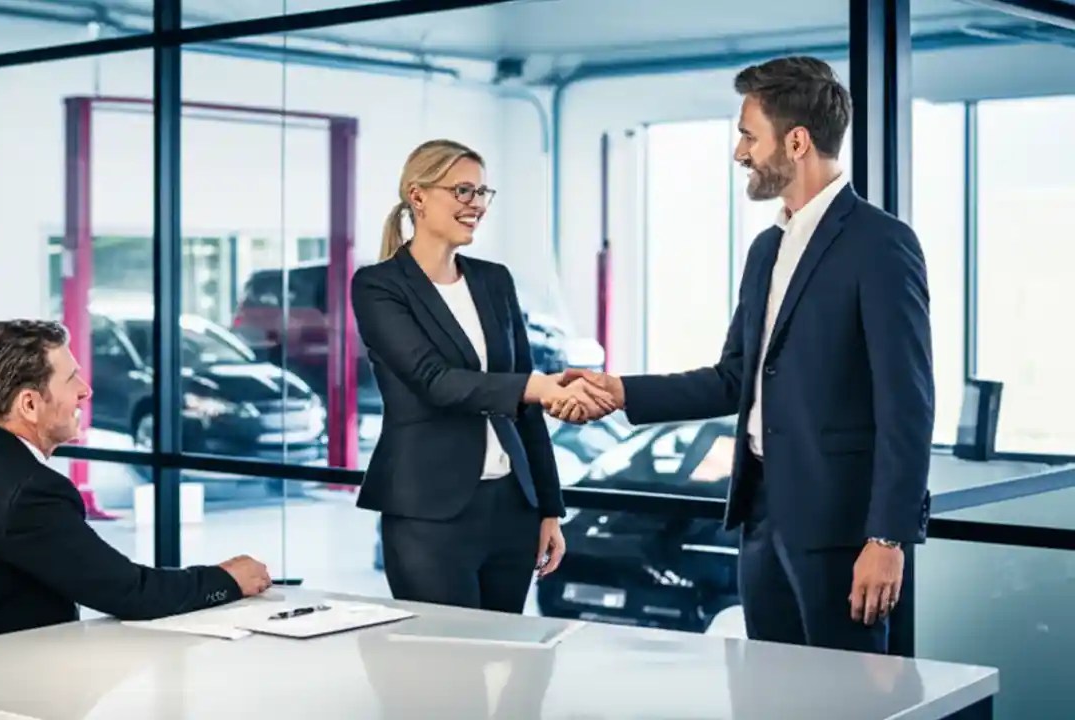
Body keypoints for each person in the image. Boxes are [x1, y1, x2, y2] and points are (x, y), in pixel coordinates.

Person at [554, 57, 933, 654]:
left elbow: (907, 405)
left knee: (849, 701)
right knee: (771, 695)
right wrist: (618, 390)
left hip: (841, 534)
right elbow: (734, 379)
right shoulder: (766, 250)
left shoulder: (880, 244)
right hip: (760, 521)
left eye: (748, 135)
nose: (740, 153)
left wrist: (887, 539)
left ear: (797, 141)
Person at [351, 139, 615, 613]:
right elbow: (435, 381)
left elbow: (524, 404)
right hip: (429, 513)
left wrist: (549, 508)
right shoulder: (379, 286)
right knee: (445, 670)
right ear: (418, 196)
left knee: (509, 664)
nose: (475, 205)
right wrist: (537, 387)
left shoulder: (494, 280)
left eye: (481, 193)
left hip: (512, 509)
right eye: (462, 191)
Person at [0, 320, 272, 649]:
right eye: (70, 378)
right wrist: (227, 579)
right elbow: (131, 592)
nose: (86, 390)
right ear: (29, 405)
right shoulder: (28, 491)